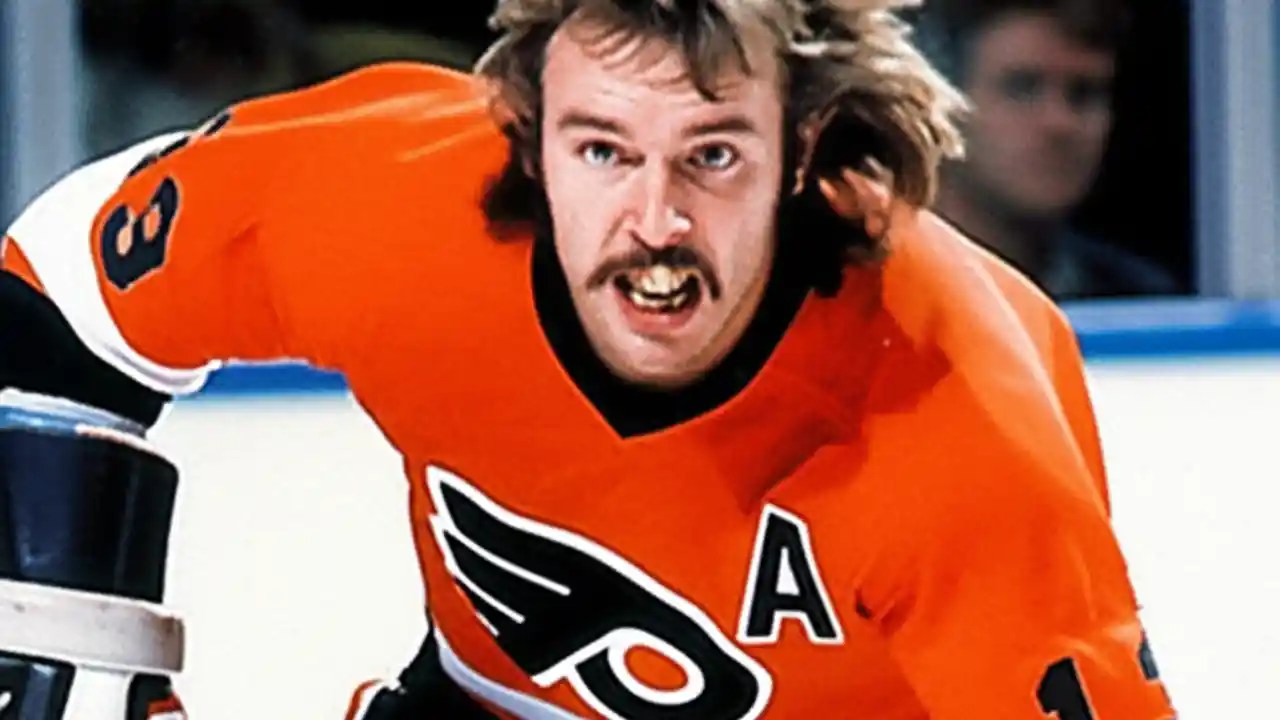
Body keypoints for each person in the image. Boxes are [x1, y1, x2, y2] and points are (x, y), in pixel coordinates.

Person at [0, 1, 1176, 718]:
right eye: (602, 149)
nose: (652, 221)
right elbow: (56, 282)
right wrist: (71, 659)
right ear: (523, 131)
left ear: (806, 148)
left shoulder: (956, 413)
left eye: (710, 156)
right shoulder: (392, 199)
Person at [914, 0, 1179, 300]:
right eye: (1022, 87)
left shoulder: (1138, 300)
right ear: (942, 104)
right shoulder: (879, 288)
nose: (1059, 123)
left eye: (1083, 94)